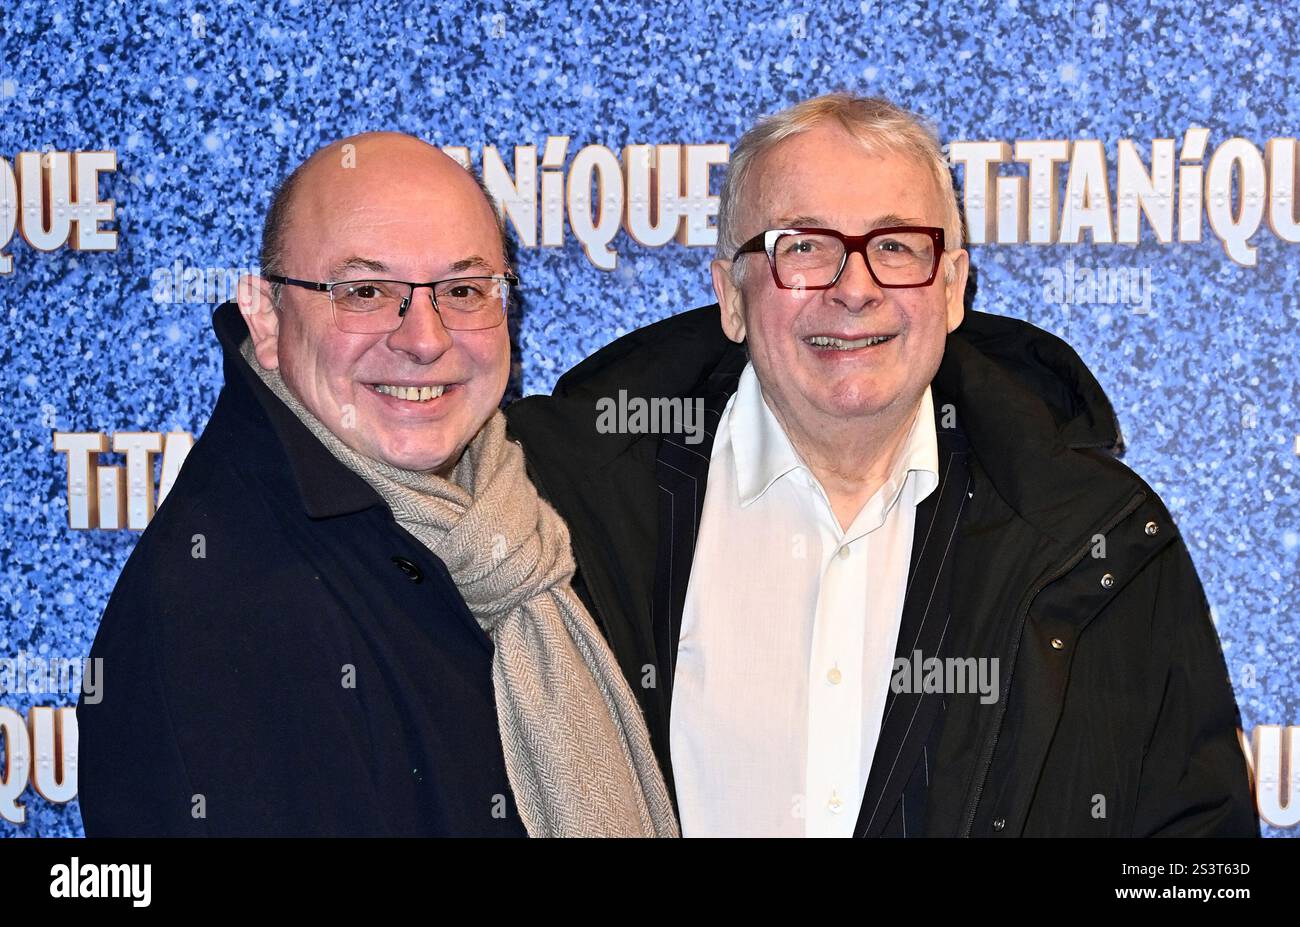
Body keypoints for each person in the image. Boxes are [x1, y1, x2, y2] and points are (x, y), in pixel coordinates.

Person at [505, 93, 1259, 837]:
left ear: (954, 287)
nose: (855, 287)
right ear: (730, 296)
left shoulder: (1099, 540)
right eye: (803, 246)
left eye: (896, 245)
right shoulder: (558, 512)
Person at [77, 132, 676, 837]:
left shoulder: (516, 523)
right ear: (265, 317)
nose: (424, 337)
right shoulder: (217, 611)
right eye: (365, 291)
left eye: (462, 289)